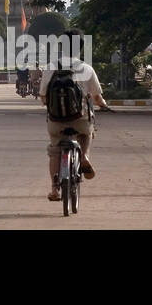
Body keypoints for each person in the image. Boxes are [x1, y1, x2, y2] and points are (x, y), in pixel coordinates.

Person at [39, 33, 108, 203]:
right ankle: (84, 156)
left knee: (55, 151)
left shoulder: (50, 67)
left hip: (56, 120)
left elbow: (42, 97)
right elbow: (97, 97)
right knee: (86, 133)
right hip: (81, 118)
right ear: (81, 48)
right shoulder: (86, 68)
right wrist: (103, 105)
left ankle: (54, 190)